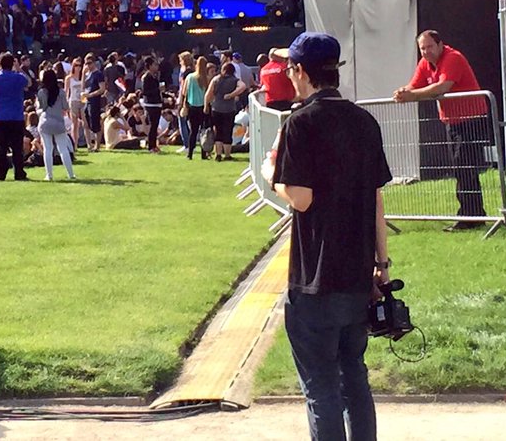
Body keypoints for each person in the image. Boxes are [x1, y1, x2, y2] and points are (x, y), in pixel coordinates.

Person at [272, 33, 392, 441]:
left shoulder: (299, 123)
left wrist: (276, 182)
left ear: (302, 71)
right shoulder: (364, 121)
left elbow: (301, 199)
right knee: (354, 378)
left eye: (290, 68)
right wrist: (382, 264)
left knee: (321, 388)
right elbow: (376, 199)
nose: (289, 75)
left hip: (314, 277)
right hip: (357, 272)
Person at [393, 30, 490, 230]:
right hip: (452, 121)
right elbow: (414, 85)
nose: (426, 52)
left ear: (440, 45)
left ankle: (470, 216)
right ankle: (473, 214)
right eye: (422, 48)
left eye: (429, 47)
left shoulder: (453, 58)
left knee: (465, 167)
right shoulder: (425, 64)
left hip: (472, 119)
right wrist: (403, 92)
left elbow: (441, 87)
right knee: (460, 167)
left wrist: (411, 96)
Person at [0, 53, 30, 181]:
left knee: (1, 146)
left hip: (0, 116)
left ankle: (1, 173)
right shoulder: (18, 77)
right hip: (16, 116)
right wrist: (18, 68)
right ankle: (19, 172)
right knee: (17, 147)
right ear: (13, 63)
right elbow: (28, 82)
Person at [35, 68, 75, 180]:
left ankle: (49, 175)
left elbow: (41, 107)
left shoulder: (41, 92)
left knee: (48, 149)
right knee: (63, 149)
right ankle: (71, 174)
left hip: (45, 122)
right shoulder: (61, 92)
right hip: (58, 123)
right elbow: (66, 107)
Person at [205, 62, 246, 161]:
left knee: (218, 131)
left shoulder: (216, 79)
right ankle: (227, 155)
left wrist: (206, 105)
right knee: (228, 131)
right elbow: (243, 86)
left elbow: (208, 94)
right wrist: (232, 95)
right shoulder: (234, 80)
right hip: (229, 109)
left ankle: (218, 154)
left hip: (216, 108)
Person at [179, 57, 210, 160]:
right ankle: (203, 154)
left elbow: (184, 92)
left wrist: (184, 104)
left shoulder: (190, 77)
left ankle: (190, 154)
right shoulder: (206, 79)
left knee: (193, 131)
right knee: (203, 131)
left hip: (192, 107)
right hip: (203, 107)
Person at [139, 57, 164, 153]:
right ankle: (151, 146)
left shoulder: (155, 76)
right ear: (149, 66)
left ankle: (154, 145)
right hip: (150, 104)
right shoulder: (146, 77)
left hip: (157, 103)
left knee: (155, 125)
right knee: (152, 126)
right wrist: (158, 90)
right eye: (155, 65)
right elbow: (145, 92)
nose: (157, 67)